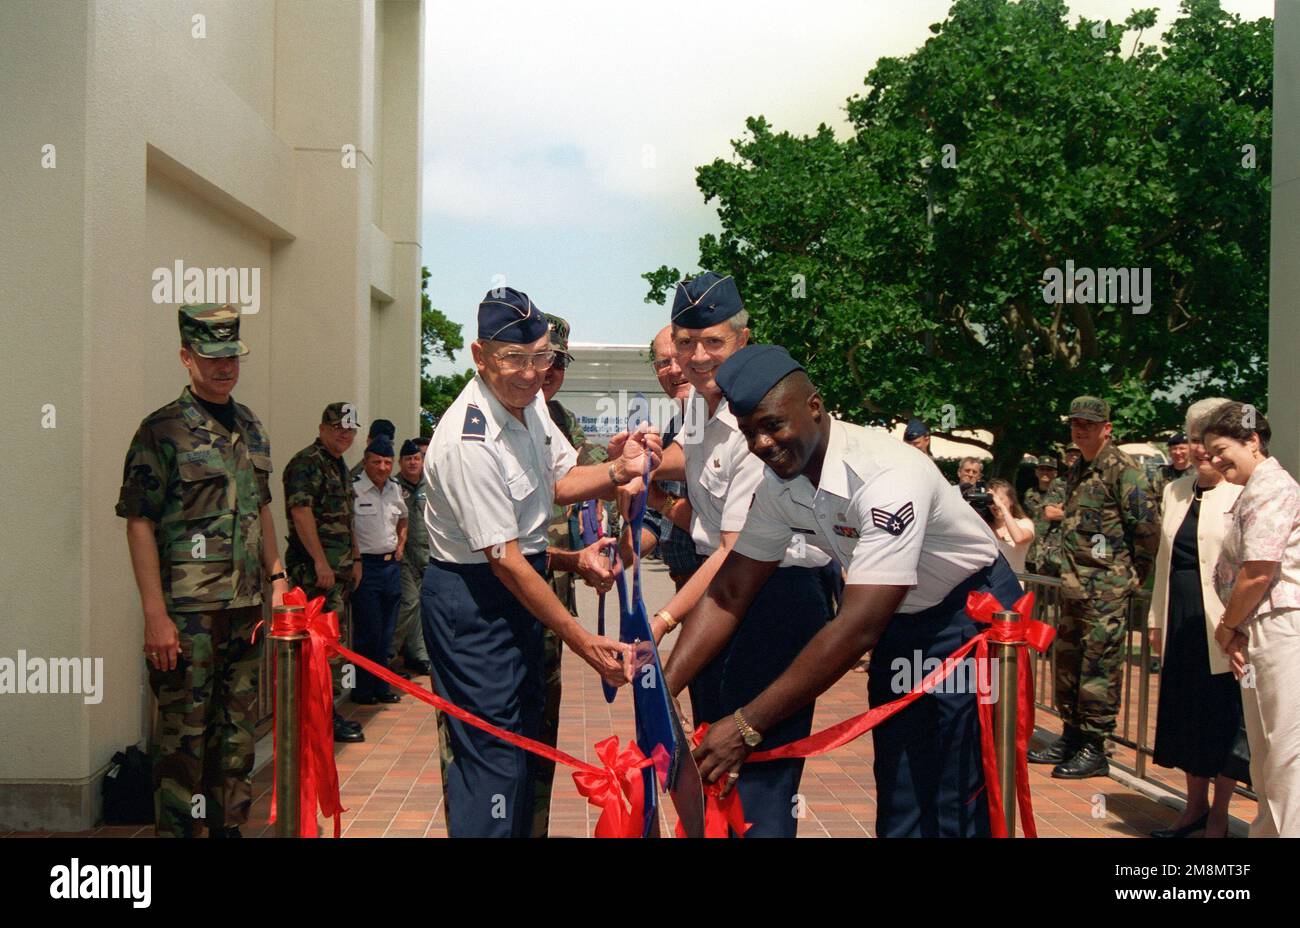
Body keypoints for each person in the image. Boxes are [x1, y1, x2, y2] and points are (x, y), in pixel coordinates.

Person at [679, 345, 1021, 838]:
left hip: (969, 617)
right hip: (901, 625)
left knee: (959, 793)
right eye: (749, 431)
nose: (761, 444)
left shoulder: (887, 477)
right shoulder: (781, 484)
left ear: (814, 406)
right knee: (901, 785)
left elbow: (857, 626)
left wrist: (747, 724)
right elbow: (732, 588)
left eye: (772, 425)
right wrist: (661, 688)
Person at [421, 286, 654, 838]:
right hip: (475, 603)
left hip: (520, 594)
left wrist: (620, 469)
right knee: (493, 762)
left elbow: (562, 480)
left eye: (541, 358)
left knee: (527, 747)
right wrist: (584, 640)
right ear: (480, 357)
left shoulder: (527, 410)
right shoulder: (467, 440)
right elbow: (504, 560)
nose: (530, 374)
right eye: (514, 359)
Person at [636, 274, 836, 838]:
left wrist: (666, 620)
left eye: (713, 343)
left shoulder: (757, 419)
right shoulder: (703, 408)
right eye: (685, 342)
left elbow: (733, 553)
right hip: (724, 602)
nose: (697, 357)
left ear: (742, 340)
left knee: (758, 776)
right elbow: (681, 458)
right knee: (712, 760)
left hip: (772, 597)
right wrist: (634, 465)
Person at [116, 303, 288, 837]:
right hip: (186, 617)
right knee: (182, 743)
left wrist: (278, 579)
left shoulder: (251, 426)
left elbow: (261, 508)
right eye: (212, 357)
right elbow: (138, 521)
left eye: (232, 356)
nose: (225, 367)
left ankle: (229, 826)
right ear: (186, 357)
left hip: (244, 612)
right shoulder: (161, 430)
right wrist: (154, 616)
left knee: (236, 735)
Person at [1028, 396, 1159, 778]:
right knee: (1067, 663)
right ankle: (1071, 735)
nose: (1080, 428)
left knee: (1098, 666)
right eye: (1075, 423)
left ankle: (1094, 746)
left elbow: (1148, 529)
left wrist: (1131, 575)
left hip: (1106, 591)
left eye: (1088, 423)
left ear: (1107, 428)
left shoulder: (1124, 471)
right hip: (1073, 587)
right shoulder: (1077, 469)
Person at [1147, 398, 1246, 839]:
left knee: (1221, 718)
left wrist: (1237, 626)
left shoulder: (1242, 492)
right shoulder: (1175, 490)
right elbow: (1164, 563)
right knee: (1185, 716)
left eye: (1208, 441)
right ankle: (1193, 809)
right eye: (1193, 440)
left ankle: (1220, 817)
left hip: (1224, 624)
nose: (1200, 450)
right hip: (1179, 619)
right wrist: (1154, 620)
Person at [1204, 403, 1300, 837]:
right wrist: (1237, 632)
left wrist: (1227, 627)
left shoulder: (1273, 487)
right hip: (1258, 630)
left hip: (1281, 629)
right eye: (1209, 452)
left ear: (1253, 442)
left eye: (1222, 449)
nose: (1215, 460)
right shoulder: (1255, 488)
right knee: (1265, 756)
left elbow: (1258, 572)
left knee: (1284, 753)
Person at [534, 311, 609, 838]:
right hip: (511, 592)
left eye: (559, 362)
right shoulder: (494, 421)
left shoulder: (562, 420)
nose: (550, 371)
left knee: (544, 713)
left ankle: (533, 820)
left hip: (554, 589)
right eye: (542, 359)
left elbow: (592, 477)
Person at [284, 403, 364, 743]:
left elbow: (347, 515)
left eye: (349, 429)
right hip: (315, 576)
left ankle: (325, 715)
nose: (343, 434)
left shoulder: (338, 465)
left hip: (339, 574)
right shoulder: (306, 463)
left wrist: (356, 557)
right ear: (321, 428)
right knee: (317, 650)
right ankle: (317, 721)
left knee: (330, 648)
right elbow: (301, 513)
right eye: (337, 428)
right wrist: (320, 562)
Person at [638, 325, 701, 591]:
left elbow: (717, 528)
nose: (674, 370)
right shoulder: (675, 425)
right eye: (663, 363)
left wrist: (638, 470)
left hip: (720, 585)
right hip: (685, 581)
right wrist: (615, 561)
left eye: (679, 357)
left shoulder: (726, 418)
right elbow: (654, 520)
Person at [350, 437, 408, 705]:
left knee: (387, 632)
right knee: (368, 632)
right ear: (365, 462)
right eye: (376, 462)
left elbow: (404, 516)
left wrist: (401, 543)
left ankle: (381, 686)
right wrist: (356, 558)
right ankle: (362, 690)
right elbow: (348, 525)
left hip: (390, 567)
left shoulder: (395, 488)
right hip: (366, 568)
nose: (382, 467)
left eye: (387, 462)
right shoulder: (354, 488)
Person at [390, 438, 432, 678]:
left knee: (422, 607)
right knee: (409, 603)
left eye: (417, 458)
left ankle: (420, 656)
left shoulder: (433, 485)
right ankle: (389, 654)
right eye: (408, 459)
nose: (413, 463)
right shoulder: (394, 485)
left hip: (428, 553)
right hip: (403, 557)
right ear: (401, 462)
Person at [1024, 454, 1066, 576]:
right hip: (1032, 550)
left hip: (1053, 551)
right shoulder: (1030, 494)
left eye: (1049, 470)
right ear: (1036, 472)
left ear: (1055, 473)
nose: (1045, 472)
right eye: (1042, 469)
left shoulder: (1063, 494)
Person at [986, 478, 1035, 573]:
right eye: (991, 501)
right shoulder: (985, 526)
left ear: (1011, 500)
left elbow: (1019, 539)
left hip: (1014, 584)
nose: (995, 505)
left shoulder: (1024, 523)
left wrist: (1002, 507)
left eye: (1000, 499)